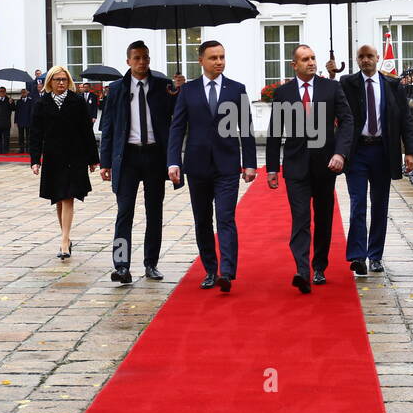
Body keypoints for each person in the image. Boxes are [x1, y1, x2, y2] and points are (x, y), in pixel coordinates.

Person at [167, 40, 258, 292]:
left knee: (226, 218)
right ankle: (210, 269)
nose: (219, 62)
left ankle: (226, 272)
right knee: (203, 220)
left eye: (222, 57)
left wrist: (249, 163)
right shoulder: (188, 91)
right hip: (196, 167)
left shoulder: (236, 89)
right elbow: (177, 128)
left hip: (227, 166)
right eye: (213, 58)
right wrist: (173, 161)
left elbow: (246, 129)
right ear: (201, 61)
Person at [266, 44, 354, 292]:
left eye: (313, 58)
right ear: (295, 65)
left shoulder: (331, 87)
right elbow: (275, 131)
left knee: (324, 218)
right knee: (301, 218)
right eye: (305, 59)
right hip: (295, 166)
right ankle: (302, 270)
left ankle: (319, 267)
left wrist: (340, 153)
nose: (311, 63)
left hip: (326, 165)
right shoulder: (283, 93)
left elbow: (347, 121)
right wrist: (272, 168)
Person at [99, 41, 176, 284]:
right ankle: (121, 266)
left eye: (145, 57)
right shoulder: (117, 88)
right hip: (128, 157)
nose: (142, 62)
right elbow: (108, 126)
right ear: (128, 61)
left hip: (154, 156)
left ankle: (151, 263)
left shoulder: (163, 86)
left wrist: (178, 92)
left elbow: (176, 118)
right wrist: (105, 161)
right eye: (137, 58)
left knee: (155, 212)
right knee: (124, 213)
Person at [340, 43, 413, 275]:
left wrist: (411, 151)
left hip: (383, 152)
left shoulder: (392, 85)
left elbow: (406, 119)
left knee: (380, 205)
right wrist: (332, 73)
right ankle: (357, 257)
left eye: (369, 56)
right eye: (361, 57)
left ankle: (375, 256)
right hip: (358, 153)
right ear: (357, 60)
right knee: (357, 205)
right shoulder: (348, 84)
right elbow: (333, 104)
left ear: (377, 58)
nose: (365, 60)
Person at [30, 66, 99, 259]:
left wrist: (93, 158)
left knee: (68, 196)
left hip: (74, 156)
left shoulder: (77, 101)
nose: (60, 83)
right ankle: (65, 238)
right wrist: (35, 160)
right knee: (59, 199)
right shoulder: (41, 103)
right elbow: (36, 134)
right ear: (49, 82)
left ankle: (64, 241)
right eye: (56, 79)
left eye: (63, 79)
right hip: (53, 157)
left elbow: (87, 131)